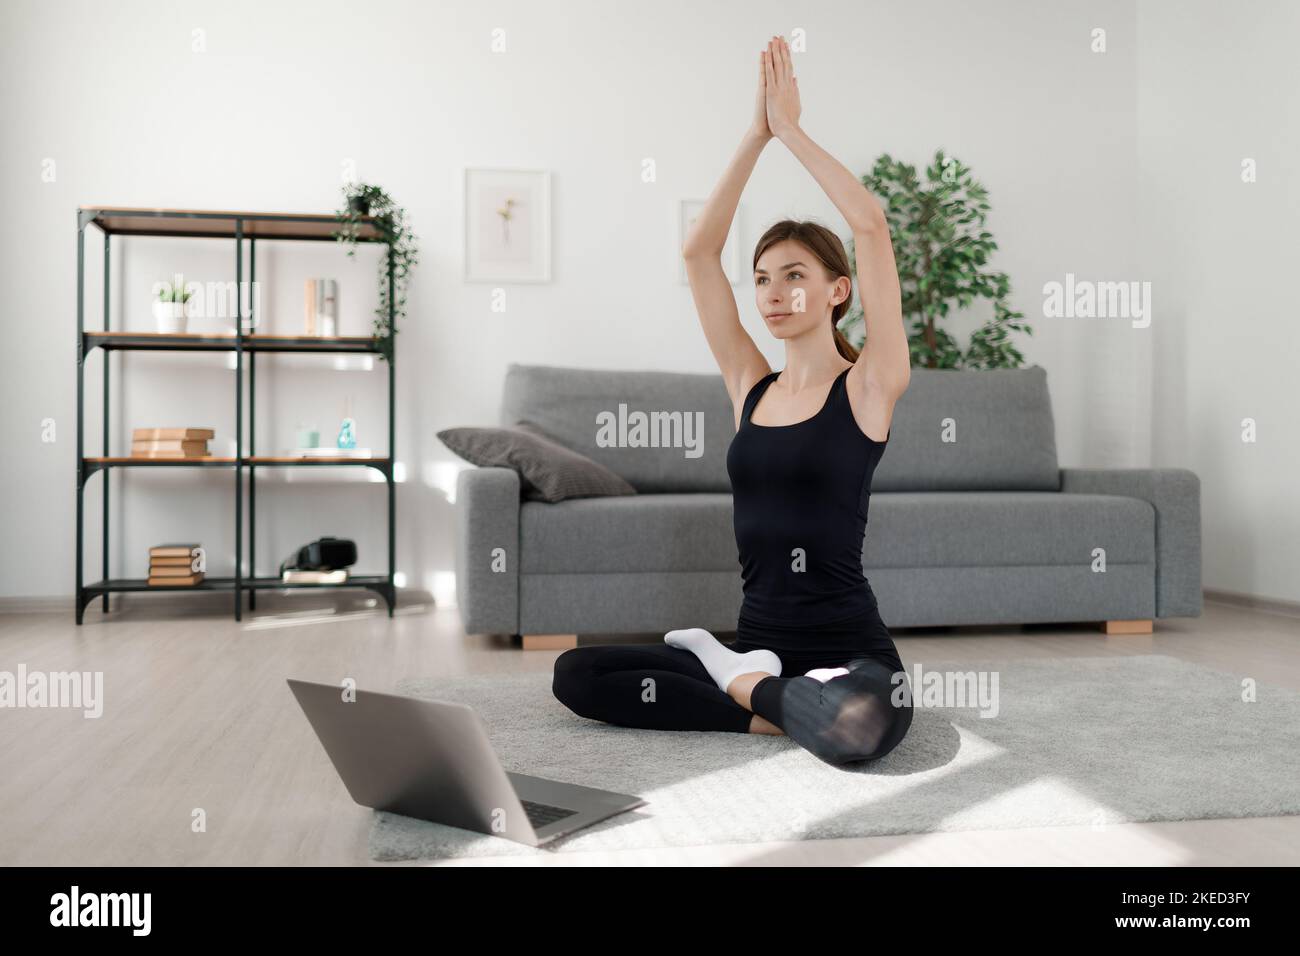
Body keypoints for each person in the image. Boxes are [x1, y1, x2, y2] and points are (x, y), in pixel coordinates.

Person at [552, 35, 913, 766]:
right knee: (578, 673)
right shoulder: (751, 384)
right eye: (763, 280)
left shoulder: (871, 383)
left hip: (848, 647)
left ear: (838, 290)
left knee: (865, 726)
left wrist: (791, 131)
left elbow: (871, 226)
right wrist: (753, 136)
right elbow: (697, 255)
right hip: (762, 639)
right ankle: (759, 686)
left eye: (794, 275)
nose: (774, 295)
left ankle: (735, 684)